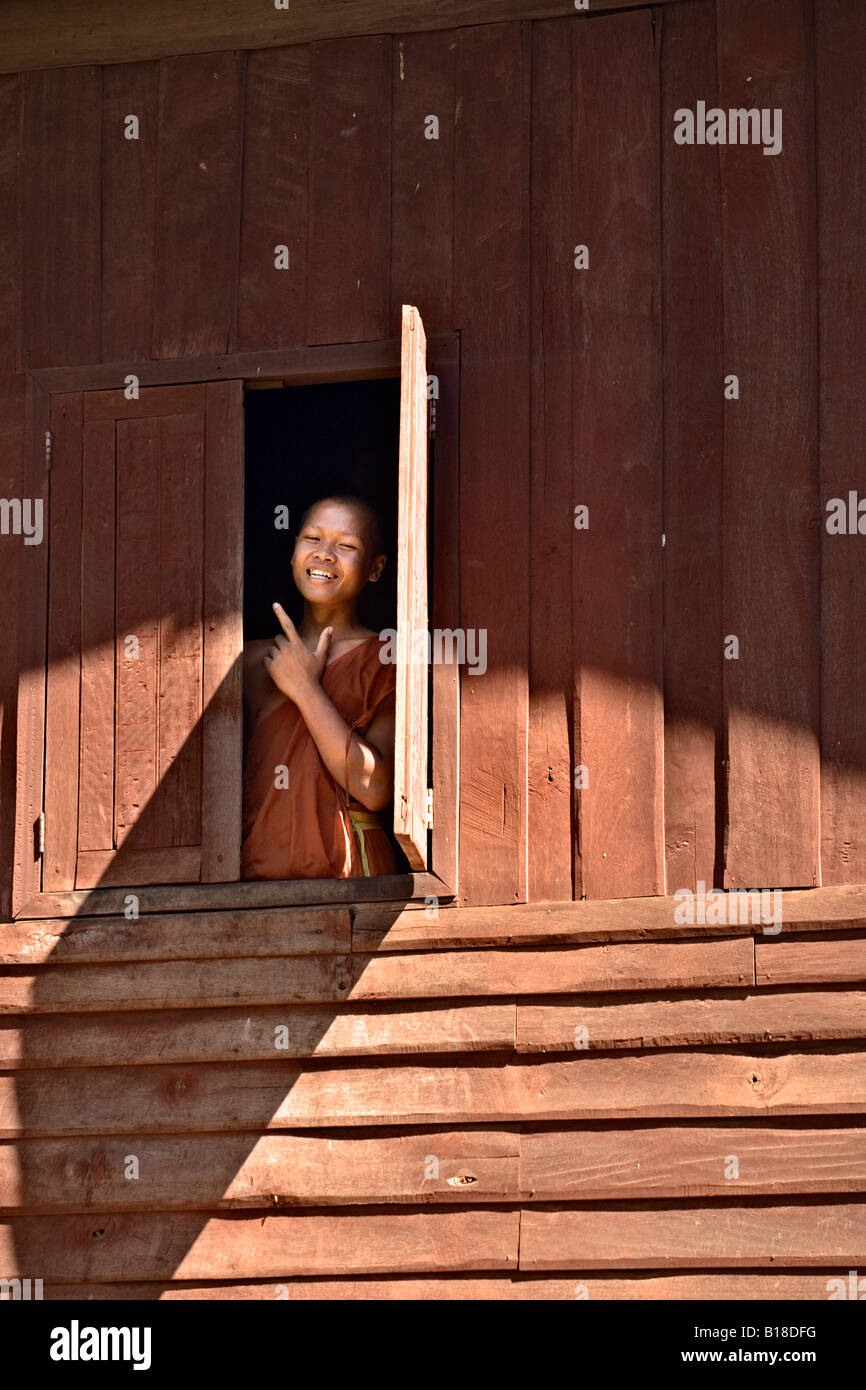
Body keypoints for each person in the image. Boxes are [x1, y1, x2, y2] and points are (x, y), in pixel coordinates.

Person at [241, 495, 398, 880]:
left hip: (351, 879)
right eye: (312, 539)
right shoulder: (246, 660)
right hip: (252, 881)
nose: (325, 554)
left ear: (376, 568)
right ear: (293, 551)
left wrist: (305, 689)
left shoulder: (387, 657)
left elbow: (375, 787)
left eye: (347, 546)